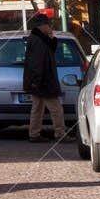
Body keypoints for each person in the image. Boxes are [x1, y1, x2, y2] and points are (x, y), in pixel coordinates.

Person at [24, 12, 65, 143]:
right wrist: (37, 81)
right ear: (42, 26)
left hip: (40, 80)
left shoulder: (39, 38)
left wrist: (52, 37)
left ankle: (34, 133)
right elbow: (37, 63)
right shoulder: (38, 40)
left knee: (37, 109)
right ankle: (60, 133)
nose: (50, 27)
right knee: (56, 109)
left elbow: (51, 49)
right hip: (44, 81)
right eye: (48, 25)